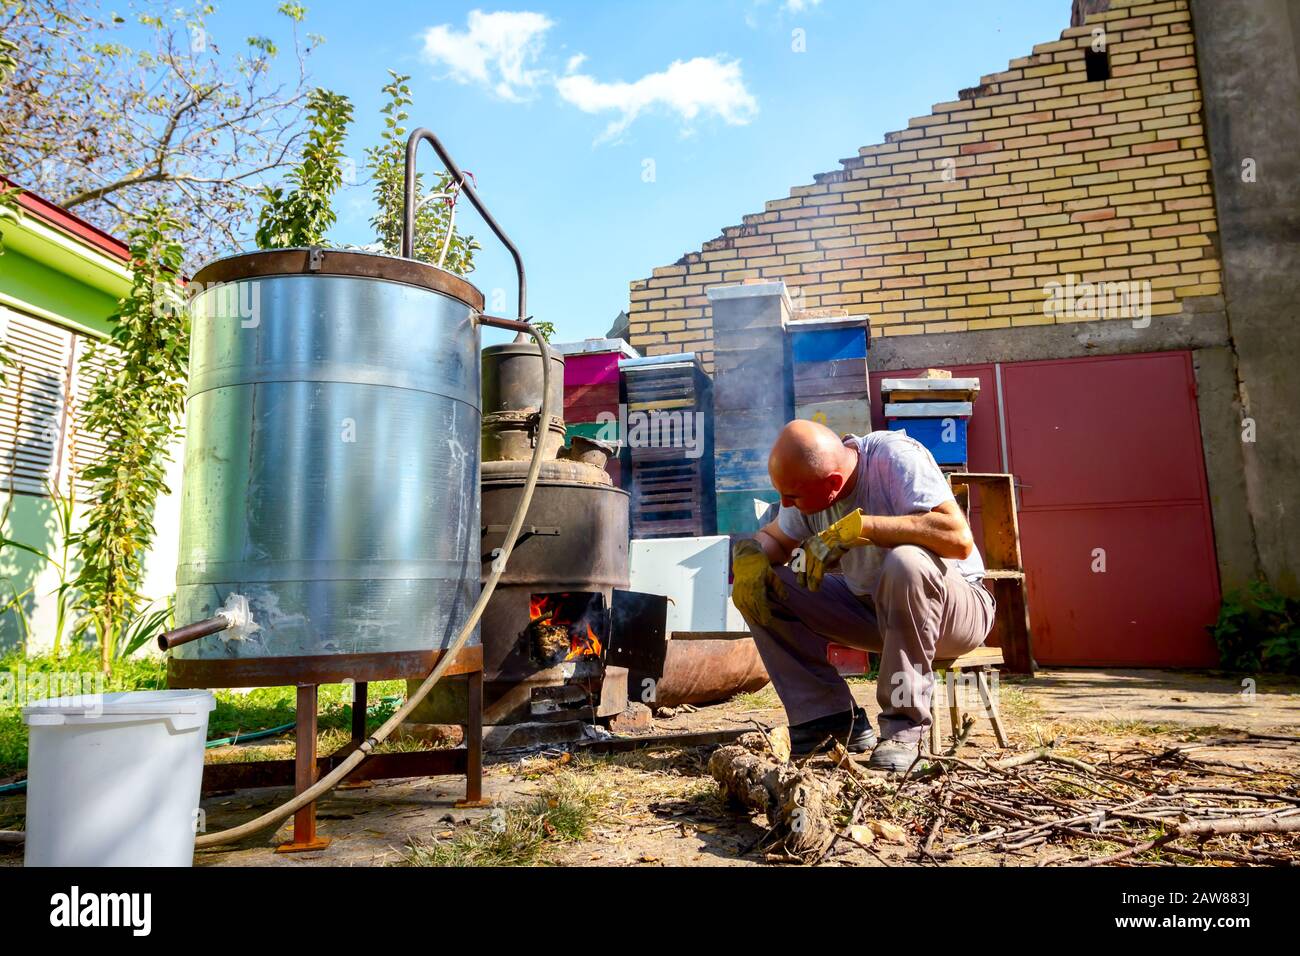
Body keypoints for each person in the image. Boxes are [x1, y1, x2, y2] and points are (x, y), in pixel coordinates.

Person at [730, 419, 995, 770]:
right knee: (768, 585)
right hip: (875, 610)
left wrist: (860, 528)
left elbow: (958, 539)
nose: (784, 503)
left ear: (833, 485)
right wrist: (751, 555)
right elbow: (777, 539)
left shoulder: (894, 457)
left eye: (791, 496)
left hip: (955, 610)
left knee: (906, 562)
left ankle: (904, 728)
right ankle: (829, 721)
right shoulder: (810, 489)